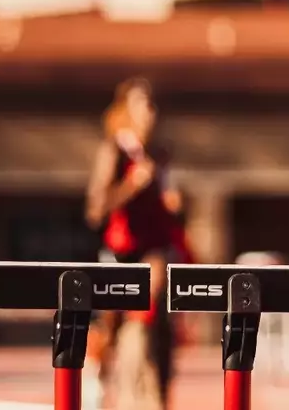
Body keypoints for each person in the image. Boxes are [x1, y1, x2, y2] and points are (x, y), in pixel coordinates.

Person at [83, 78, 187, 410]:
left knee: (158, 305)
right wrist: (131, 185)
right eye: (142, 104)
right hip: (119, 250)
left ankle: (156, 388)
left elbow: (172, 208)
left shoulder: (161, 154)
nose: (149, 112)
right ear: (127, 109)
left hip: (153, 249)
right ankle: (97, 377)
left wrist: (175, 204)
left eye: (153, 105)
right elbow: (95, 210)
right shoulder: (114, 149)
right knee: (110, 326)